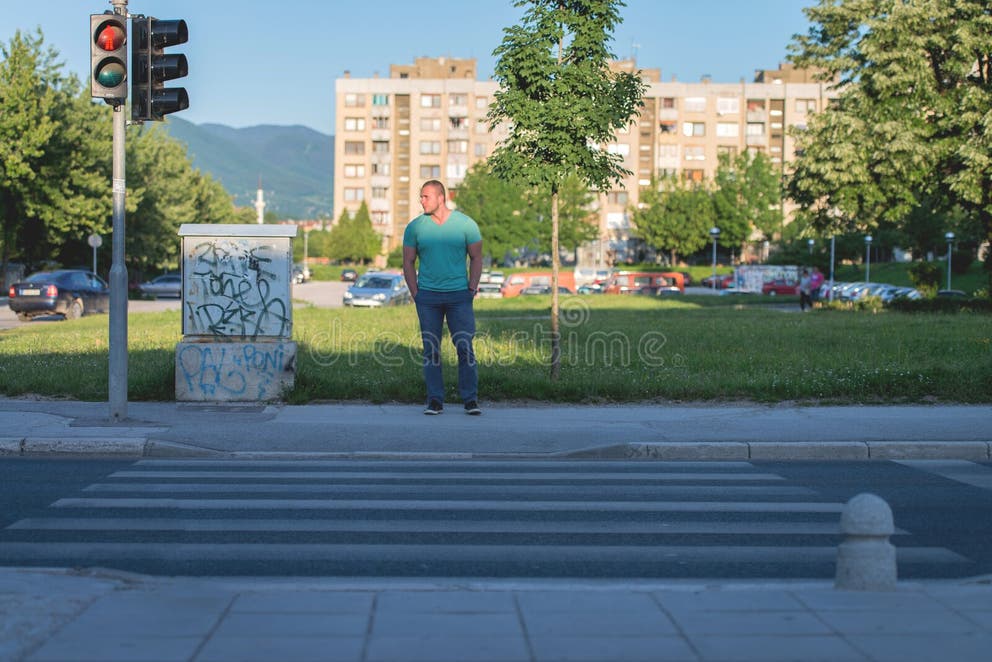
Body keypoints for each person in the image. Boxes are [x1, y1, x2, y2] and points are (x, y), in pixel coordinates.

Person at [403, 180, 484, 415]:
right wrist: (415, 293)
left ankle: (470, 399)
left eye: (425, 196)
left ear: (441, 197)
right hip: (427, 297)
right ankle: (435, 400)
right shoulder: (415, 227)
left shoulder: (466, 225)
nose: (421, 200)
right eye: (421, 196)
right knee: (431, 349)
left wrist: (472, 288)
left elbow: (477, 257)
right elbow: (408, 261)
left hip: (459, 295)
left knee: (464, 346)